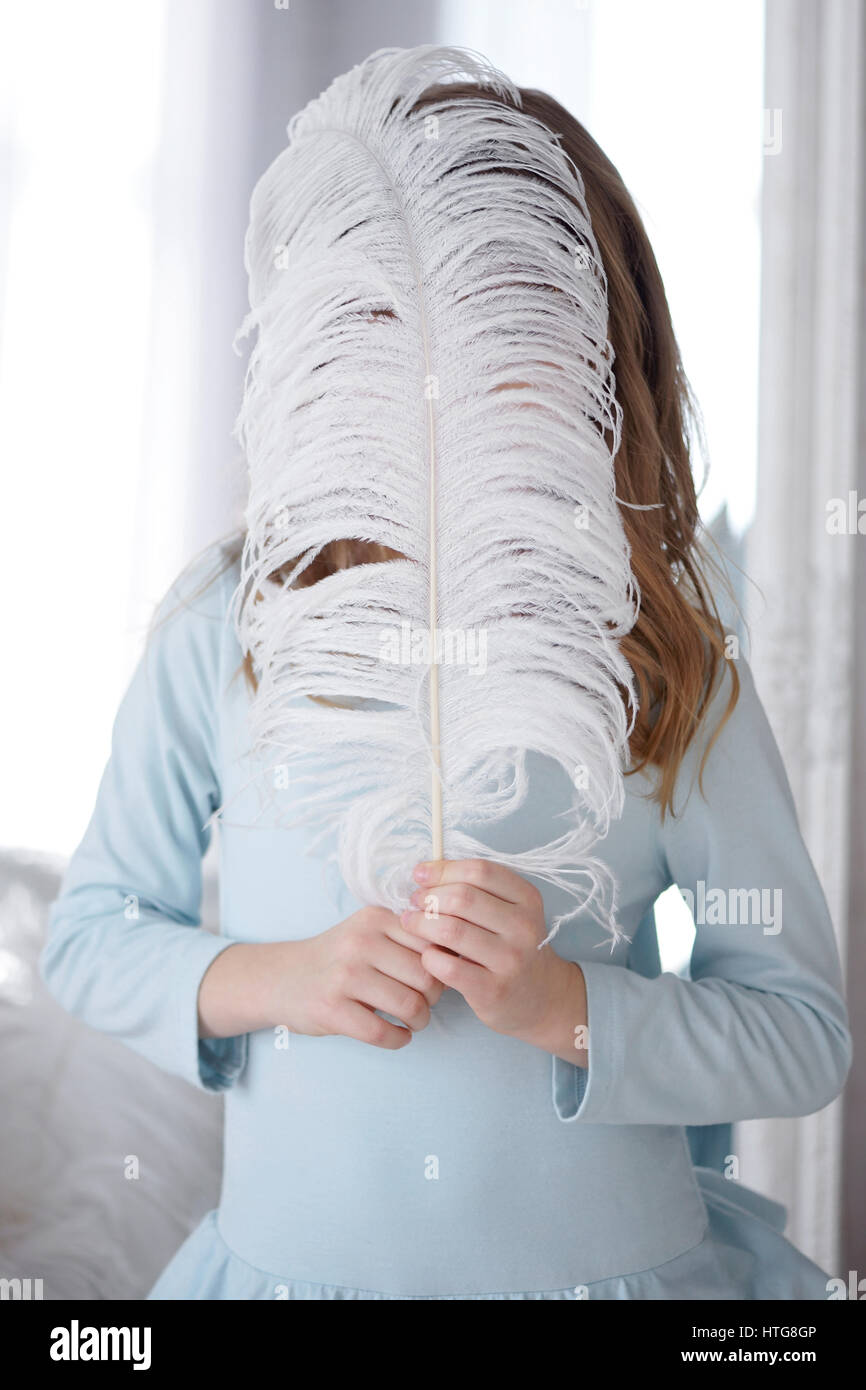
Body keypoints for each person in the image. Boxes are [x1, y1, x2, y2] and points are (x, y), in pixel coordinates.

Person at [41, 47, 851, 1300]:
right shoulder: (234, 621)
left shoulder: (664, 653)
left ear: (599, 355)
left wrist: (564, 1006)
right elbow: (93, 935)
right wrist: (279, 977)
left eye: (518, 322)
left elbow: (799, 1034)